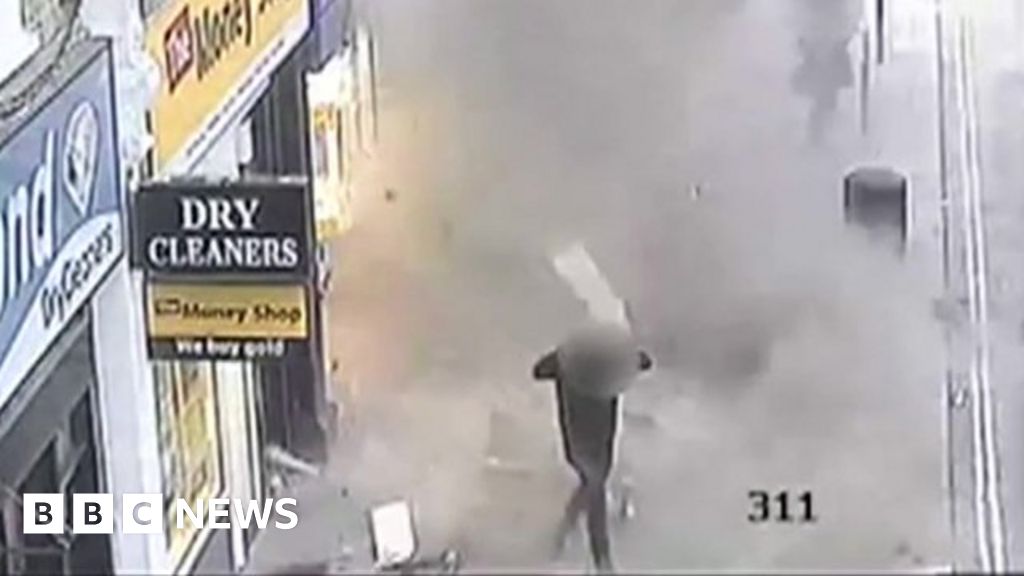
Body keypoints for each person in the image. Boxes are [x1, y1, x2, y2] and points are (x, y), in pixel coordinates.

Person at [532, 327, 653, 574]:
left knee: (590, 486)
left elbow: (643, 362)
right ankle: (602, 560)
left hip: (590, 443)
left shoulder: (584, 360)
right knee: (594, 488)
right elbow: (642, 361)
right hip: (587, 442)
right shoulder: (580, 361)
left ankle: (562, 535)